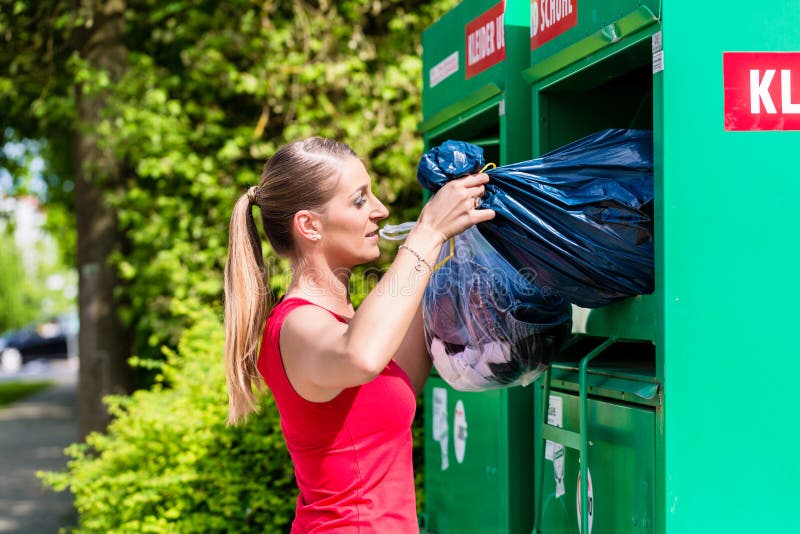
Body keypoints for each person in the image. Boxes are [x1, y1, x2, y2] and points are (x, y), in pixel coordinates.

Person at [224, 137, 493, 533]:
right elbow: (362, 356)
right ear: (309, 226)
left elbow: (403, 365)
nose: (381, 211)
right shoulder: (295, 326)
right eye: (359, 200)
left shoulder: (346, 322)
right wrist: (427, 232)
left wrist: (455, 238)